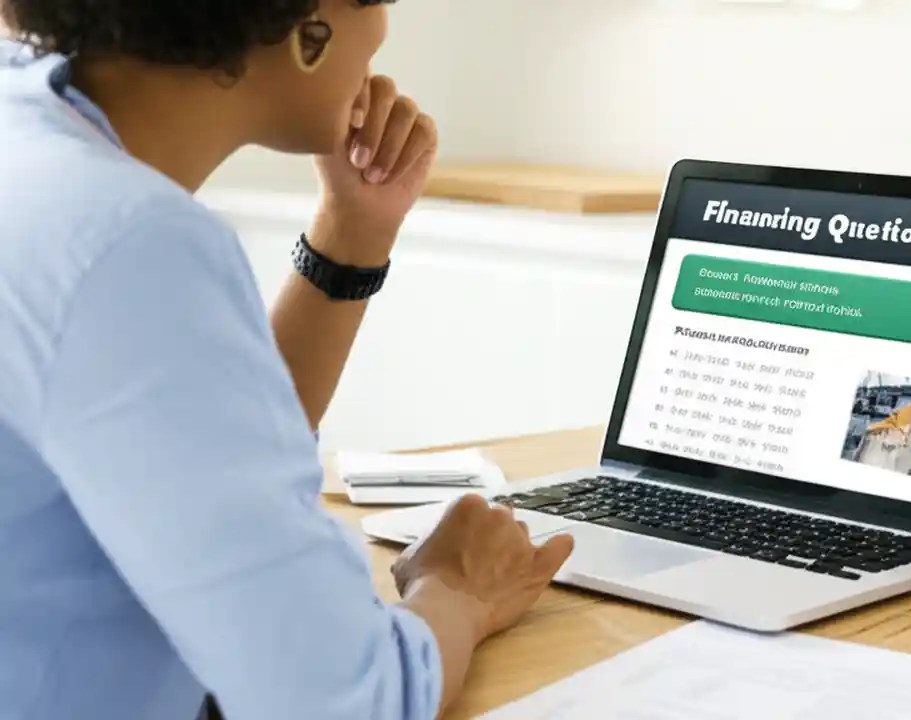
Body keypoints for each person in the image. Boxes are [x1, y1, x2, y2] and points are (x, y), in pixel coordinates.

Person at [0, 2, 574, 719]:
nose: (386, 27)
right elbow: (345, 702)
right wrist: (459, 591)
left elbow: (196, 454)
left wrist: (352, 232)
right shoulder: (128, 240)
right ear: (310, 24)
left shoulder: (31, 137)